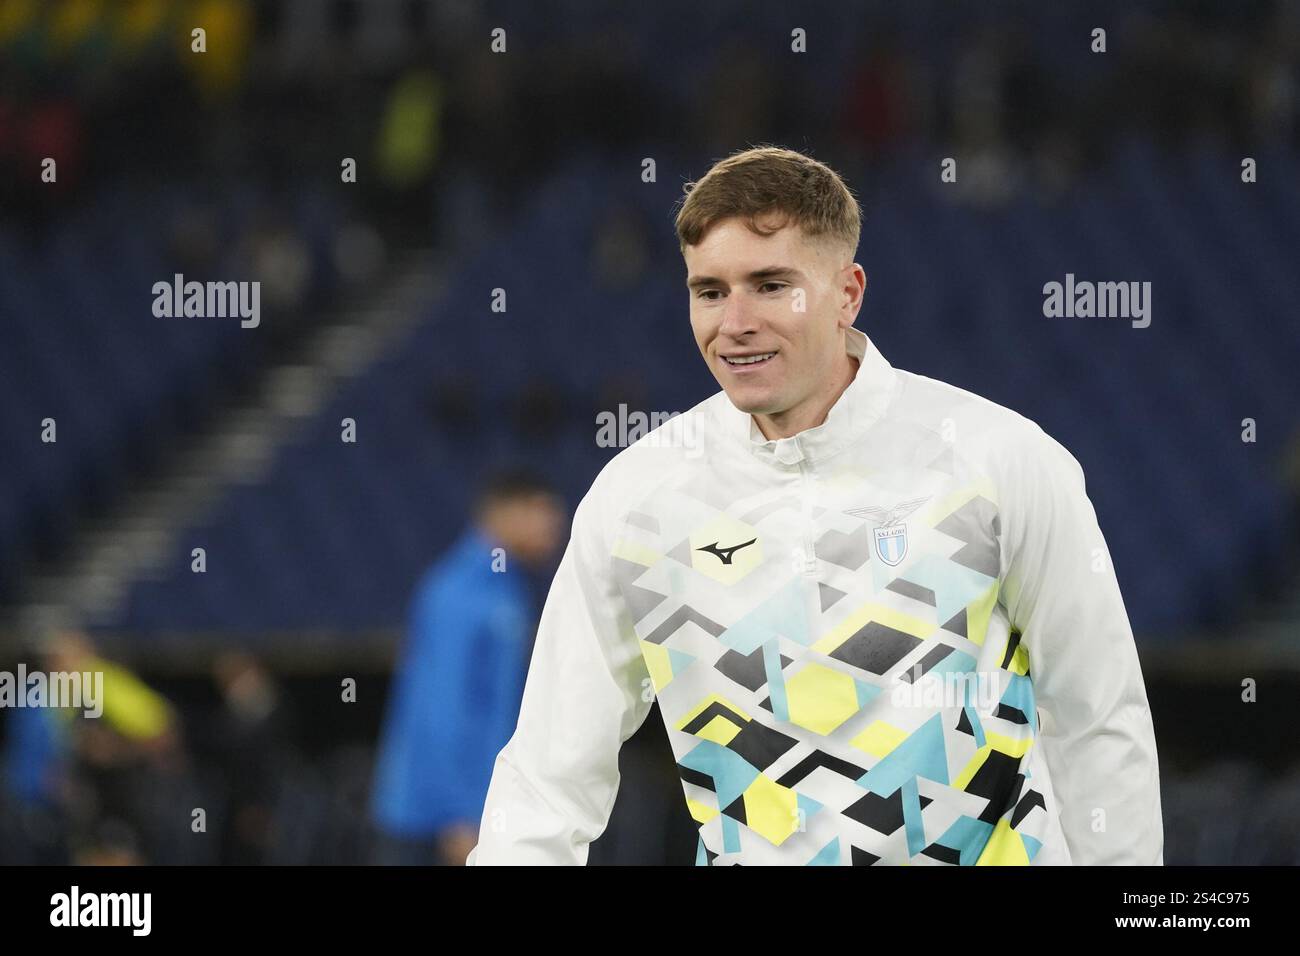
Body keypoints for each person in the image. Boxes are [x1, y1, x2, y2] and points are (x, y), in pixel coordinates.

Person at [468, 146, 1163, 866]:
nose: (733, 321)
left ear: (848, 292)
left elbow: (1096, 720)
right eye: (709, 292)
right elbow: (551, 768)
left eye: (770, 286)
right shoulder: (638, 497)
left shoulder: (1001, 461)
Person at [370, 467, 565, 865]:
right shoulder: (460, 592)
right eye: (543, 512)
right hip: (429, 823)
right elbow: (445, 709)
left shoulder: (504, 586)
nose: (555, 527)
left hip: (460, 813)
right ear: (509, 512)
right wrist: (464, 815)